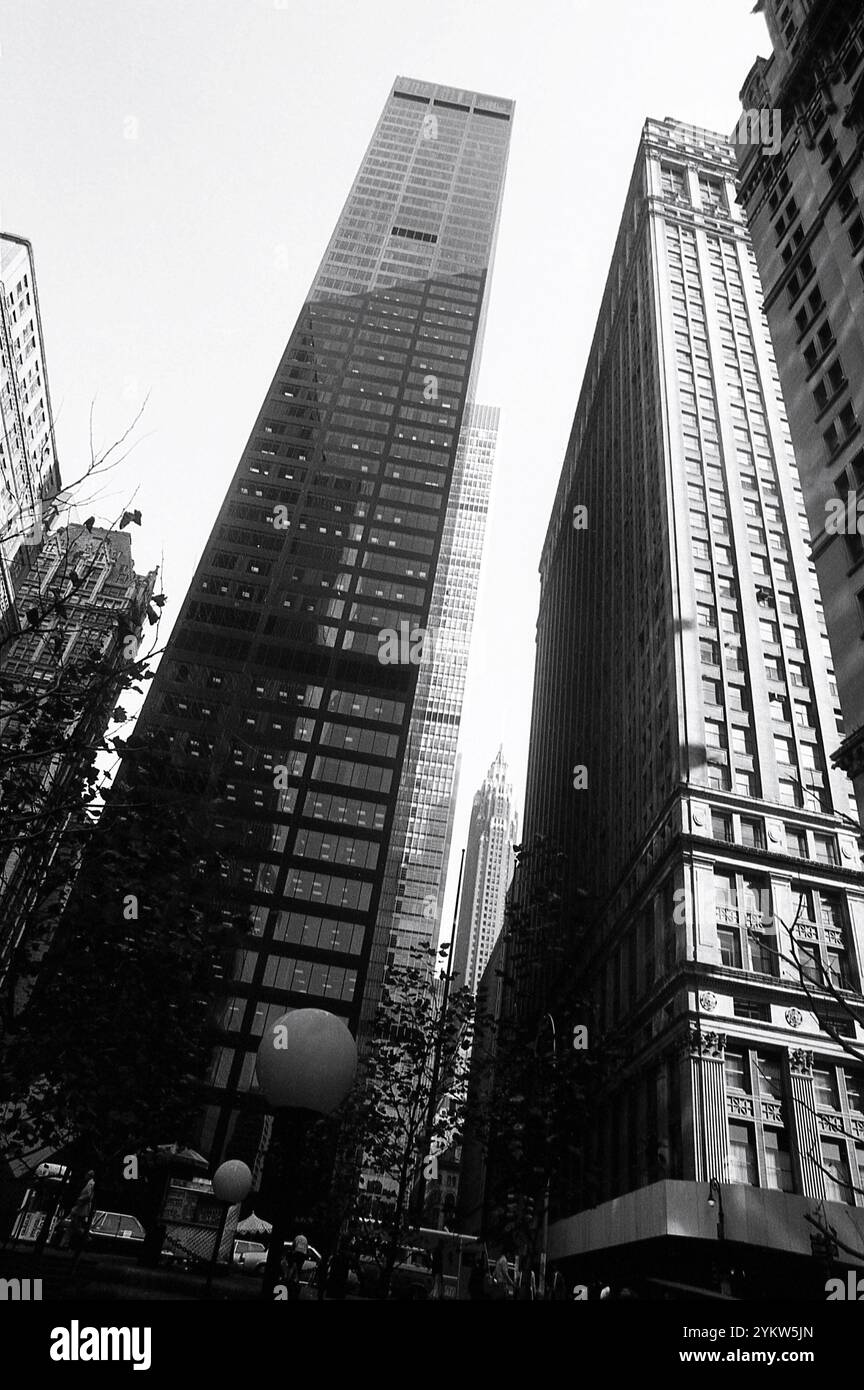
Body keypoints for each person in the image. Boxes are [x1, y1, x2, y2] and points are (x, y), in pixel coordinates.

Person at [67, 1171, 95, 1252]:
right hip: (80, 1208)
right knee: (73, 1227)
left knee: (76, 1226)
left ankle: (86, 1237)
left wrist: (80, 1199)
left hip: (81, 1209)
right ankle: (67, 1245)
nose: (85, 1176)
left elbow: (88, 1196)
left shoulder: (91, 1184)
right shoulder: (89, 1183)